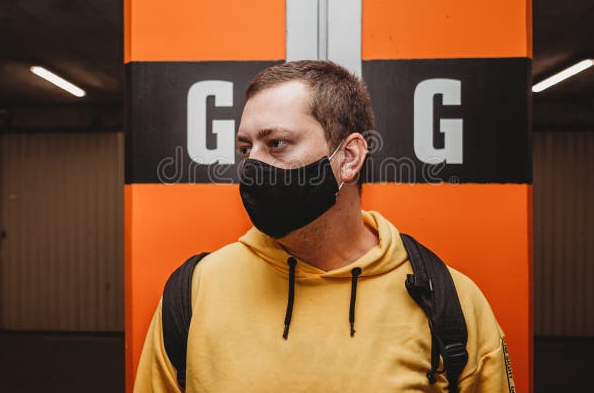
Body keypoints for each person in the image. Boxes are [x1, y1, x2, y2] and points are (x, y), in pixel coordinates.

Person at [133, 60, 515, 392]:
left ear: (348, 157)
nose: (252, 167)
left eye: (277, 143)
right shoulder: (195, 293)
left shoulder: (450, 302)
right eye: (246, 149)